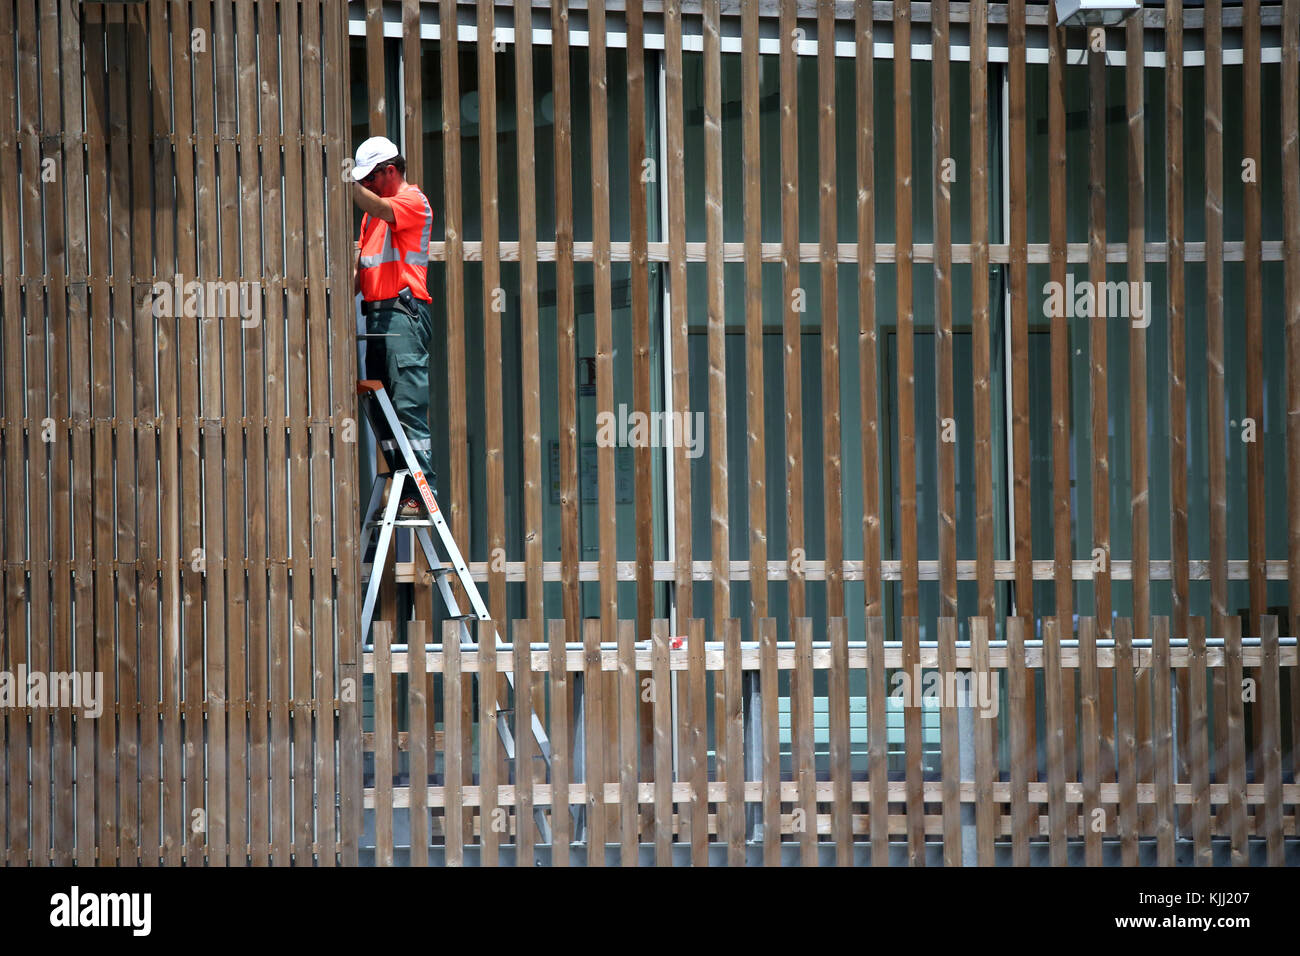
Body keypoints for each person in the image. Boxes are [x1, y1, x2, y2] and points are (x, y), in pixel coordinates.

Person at [351, 136, 435, 517]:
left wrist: (344, 186)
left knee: (406, 406)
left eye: (369, 179)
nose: (366, 186)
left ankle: (420, 492)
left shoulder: (412, 201)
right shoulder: (373, 216)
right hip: (377, 318)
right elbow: (360, 270)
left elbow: (379, 205)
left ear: (389, 171)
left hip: (403, 315)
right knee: (381, 411)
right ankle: (404, 487)